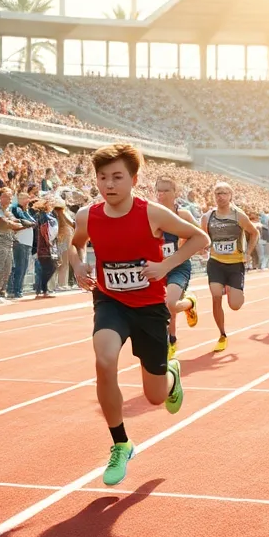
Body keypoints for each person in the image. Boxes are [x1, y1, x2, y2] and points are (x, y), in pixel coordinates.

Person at [69, 144, 209, 486]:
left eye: (117, 177)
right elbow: (75, 244)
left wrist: (165, 265)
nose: (109, 185)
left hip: (148, 307)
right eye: (102, 178)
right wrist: (77, 265)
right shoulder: (88, 215)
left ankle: (171, 375)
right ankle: (121, 443)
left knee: (155, 396)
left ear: (133, 179)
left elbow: (199, 238)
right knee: (104, 360)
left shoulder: (153, 213)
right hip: (110, 301)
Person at [201, 182, 259, 353]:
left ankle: (230, 289)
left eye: (224, 193)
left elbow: (254, 232)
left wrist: (248, 252)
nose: (221, 196)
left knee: (235, 305)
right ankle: (222, 334)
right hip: (216, 263)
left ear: (231, 196)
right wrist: (203, 246)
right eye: (217, 193)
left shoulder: (238, 216)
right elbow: (202, 236)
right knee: (215, 295)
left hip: (235, 264)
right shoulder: (207, 217)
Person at [154, 176, 199, 359]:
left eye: (166, 190)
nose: (161, 194)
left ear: (175, 193)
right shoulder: (151, 213)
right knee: (163, 309)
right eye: (159, 190)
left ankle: (190, 302)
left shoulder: (183, 215)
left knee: (170, 303)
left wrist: (185, 246)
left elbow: (200, 236)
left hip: (178, 267)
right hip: (158, 267)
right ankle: (171, 340)